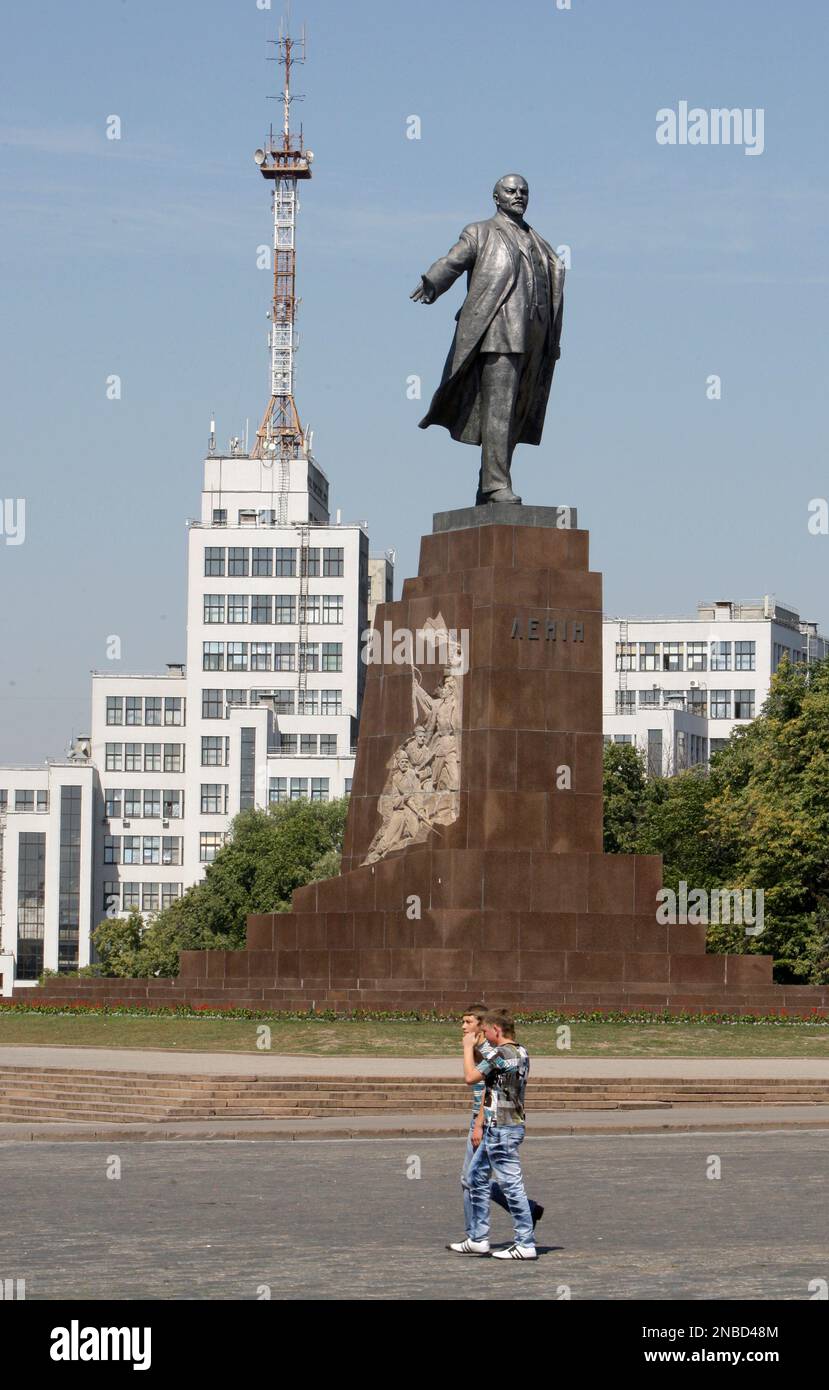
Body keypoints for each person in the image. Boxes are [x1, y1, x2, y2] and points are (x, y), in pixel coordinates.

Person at [411, 174, 564, 507]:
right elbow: (454, 260)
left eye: (524, 192)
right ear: (496, 197)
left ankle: (489, 484)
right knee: (498, 411)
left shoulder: (540, 242)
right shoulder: (480, 231)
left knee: (517, 415)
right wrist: (433, 282)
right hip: (499, 333)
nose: (518, 196)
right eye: (511, 191)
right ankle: (497, 485)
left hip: (535, 338)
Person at [449, 1006, 543, 1258]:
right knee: (475, 1178)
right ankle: (478, 1238)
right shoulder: (519, 1051)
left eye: (487, 1030)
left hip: (503, 1126)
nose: (485, 1034)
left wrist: (468, 1048)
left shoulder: (503, 1053)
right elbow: (491, 1079)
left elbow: (470, 1077)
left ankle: (525, 1243)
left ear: (497, 1030)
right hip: (498, 1124)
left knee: (512, 1185)